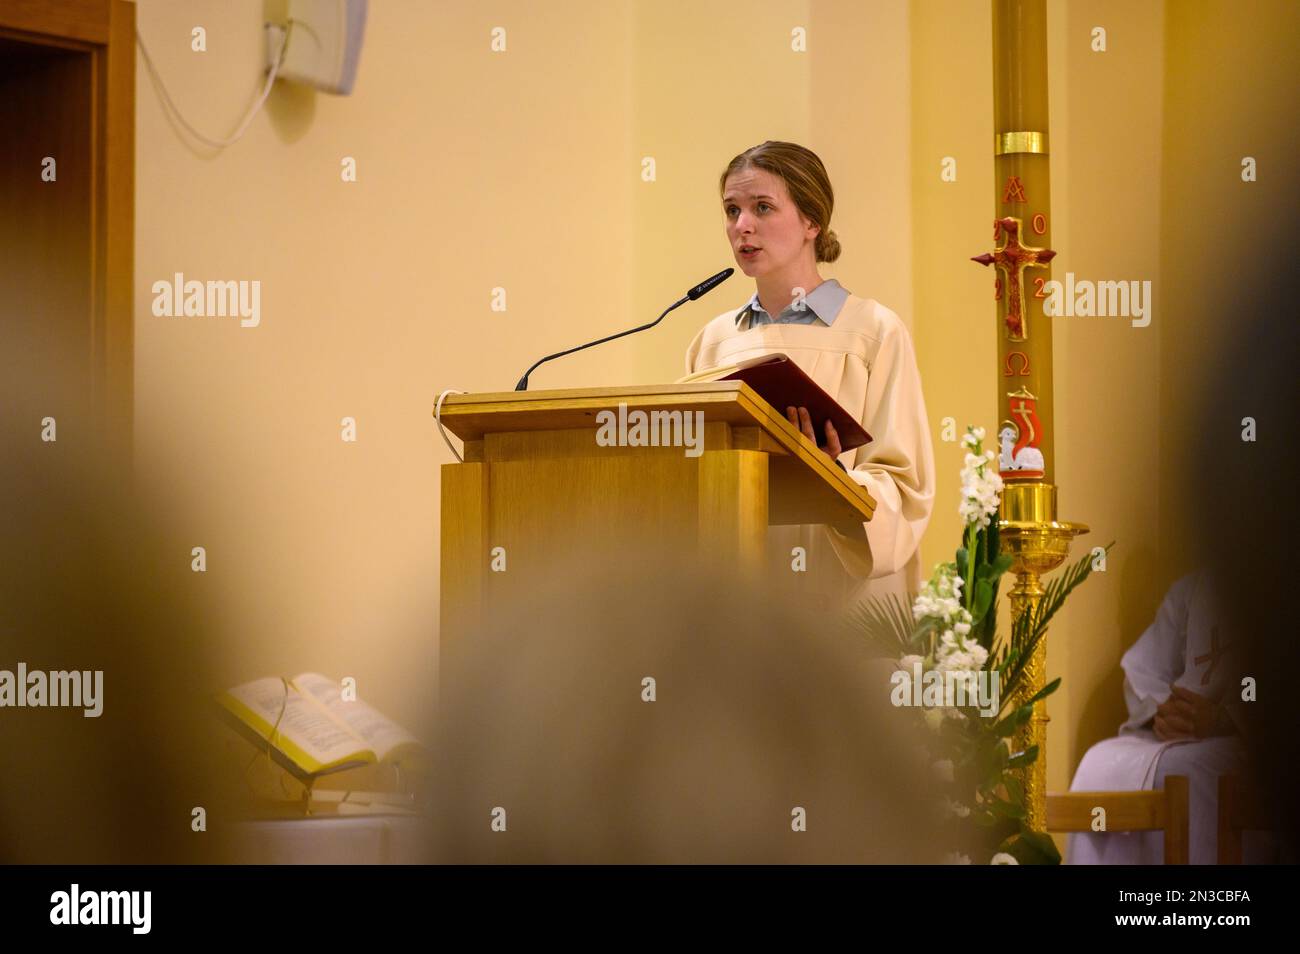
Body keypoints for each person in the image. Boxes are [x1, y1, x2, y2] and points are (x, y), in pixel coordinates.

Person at [682, 140, 935, 606]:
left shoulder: (873, 332)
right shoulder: (714, 341)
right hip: (737, 593)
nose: (743, 226)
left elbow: (904, 486)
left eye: (762, 207)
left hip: (837, 595)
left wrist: (831, 479)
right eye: (732, 210)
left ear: (811, 221)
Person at [1065, 569, 1274, 864]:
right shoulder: (1196, 586)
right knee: (1099, 760)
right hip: (1179, 734)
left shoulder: (1282, 576)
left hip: (1252, 741)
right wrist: (1164, 710)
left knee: (1185, 768)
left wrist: (1224, 719)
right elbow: (1143, 670)